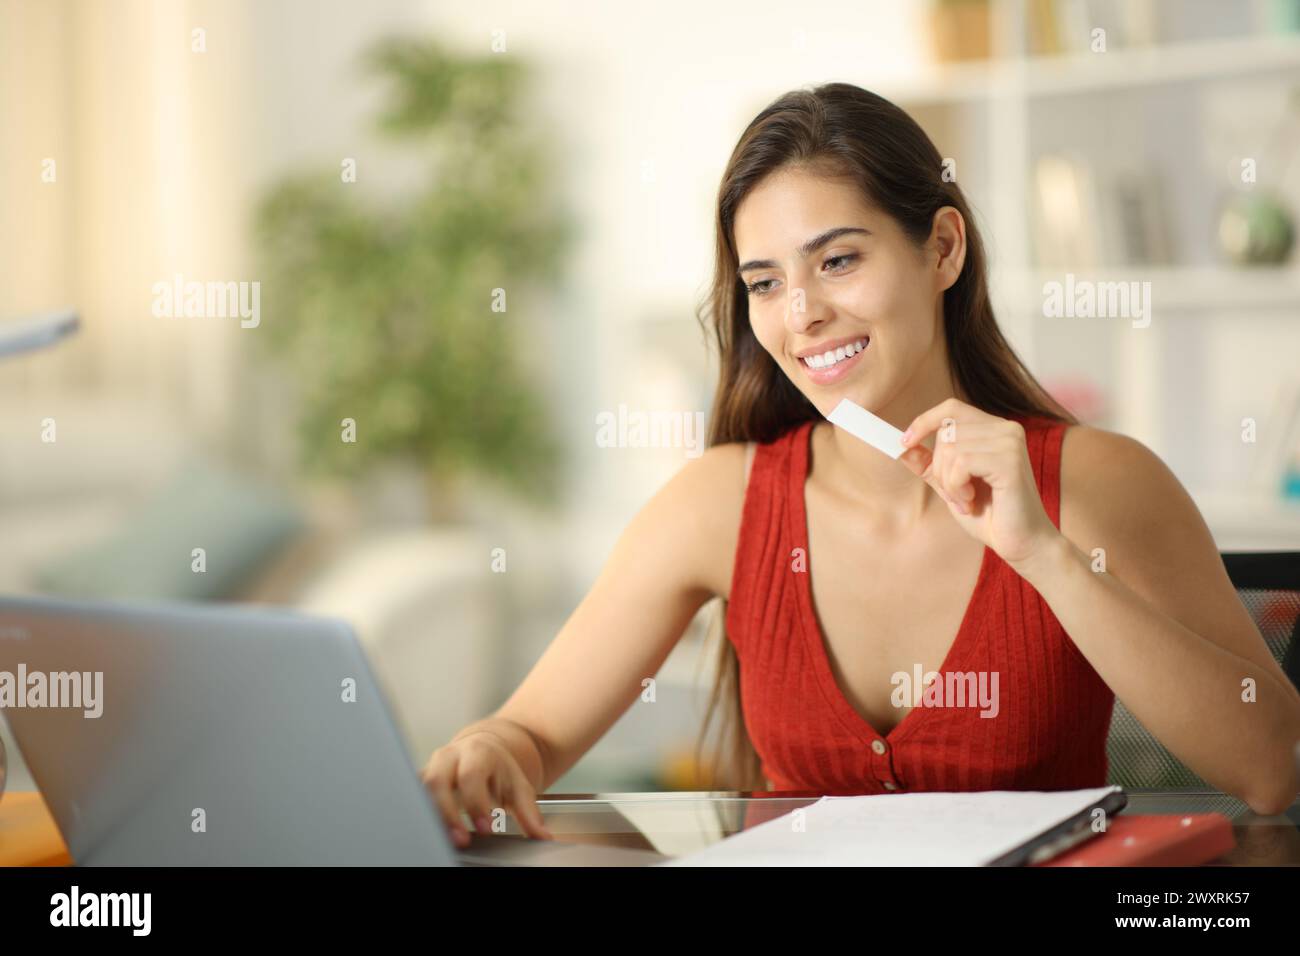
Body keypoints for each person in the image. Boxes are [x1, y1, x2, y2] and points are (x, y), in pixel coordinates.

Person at [422, 82, 1300, 848]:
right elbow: (530, 739)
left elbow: (1274, 769)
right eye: (764, 282)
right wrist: (491, 751)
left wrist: (1043, 555)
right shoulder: (717, 504)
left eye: (838, 259)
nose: (801, 314)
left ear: (943, 249)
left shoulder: (1099, 481)